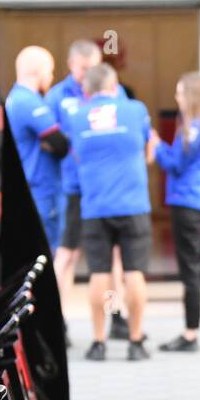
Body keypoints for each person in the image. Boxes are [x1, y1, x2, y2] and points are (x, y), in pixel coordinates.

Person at [66, 62, 153, 361]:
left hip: (95, 206)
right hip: (133, 205)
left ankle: (99, 342)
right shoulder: (136, 110)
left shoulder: (76, 116)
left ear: (86, 91)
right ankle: (136, 341)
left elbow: (76, 154)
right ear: (115, 87)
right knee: (133, 273)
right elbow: (149, 149)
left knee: (99, 274)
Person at [45, 38, 128, 341]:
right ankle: (57, 320)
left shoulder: (113, 91)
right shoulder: (56, 97)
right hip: (76, 188)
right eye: (83, 69)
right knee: (67, 255)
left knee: (114, 256)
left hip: (108, 187)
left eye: (93, 68)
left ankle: (116, 313)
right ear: (71, 65)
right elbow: (47, 141)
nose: (88, 75)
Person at [147, 73, 200, 352]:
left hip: (187, 203)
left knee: (190, 269)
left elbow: (176, 164)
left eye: (180, 93)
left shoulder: (192, 128)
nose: (177, 98)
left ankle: (190, 333)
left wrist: (156, 146)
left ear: (191, 95)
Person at [5, 46, 68, 253]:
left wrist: (46, 143)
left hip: (33, 188)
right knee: (48, 255)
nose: (51, 77)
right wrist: (50, 143)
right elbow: (61, 144)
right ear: (37, 71)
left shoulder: (14, 98)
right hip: (42, 190)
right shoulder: (29, 102)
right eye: (49, 71)